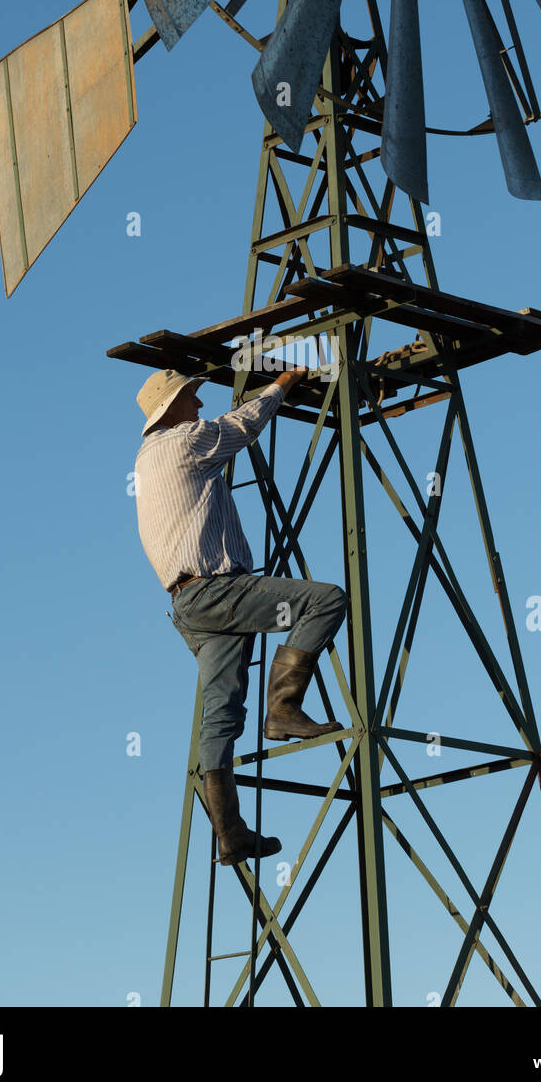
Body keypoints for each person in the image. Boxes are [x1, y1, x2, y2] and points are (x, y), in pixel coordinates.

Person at [133, 366, 348, 867]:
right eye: (193, 397)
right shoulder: (184, 440)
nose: (200, 405)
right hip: (218, 592)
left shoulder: (146, 459)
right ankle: (284, 710)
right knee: (326, 599)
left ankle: (228, 832)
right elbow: (245, 424)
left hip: (192, 608)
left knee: (221, 713)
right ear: (173, 409)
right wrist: (284, 382)